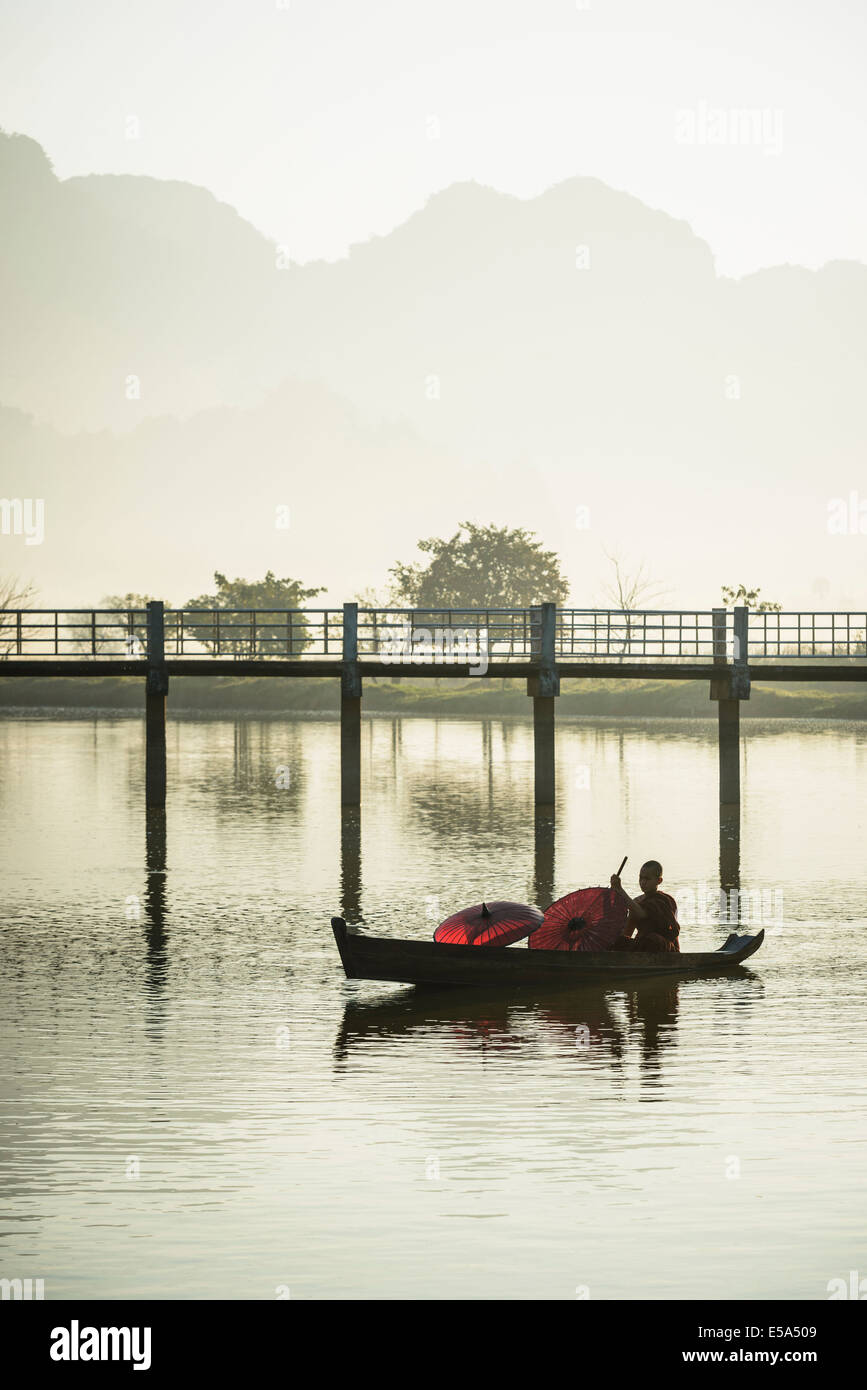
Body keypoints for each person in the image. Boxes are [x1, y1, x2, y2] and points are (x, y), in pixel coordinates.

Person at [609, 860, 680, 953]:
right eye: (640, 878)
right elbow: (628, 932)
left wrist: (620, 890)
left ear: (659, 881)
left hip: (662, 946)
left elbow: (642, 914)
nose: (642, 882)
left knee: (653, 940)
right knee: (616, 941)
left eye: (647, 879)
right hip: (643, 944)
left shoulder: (664, 901)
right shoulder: (636, 902)